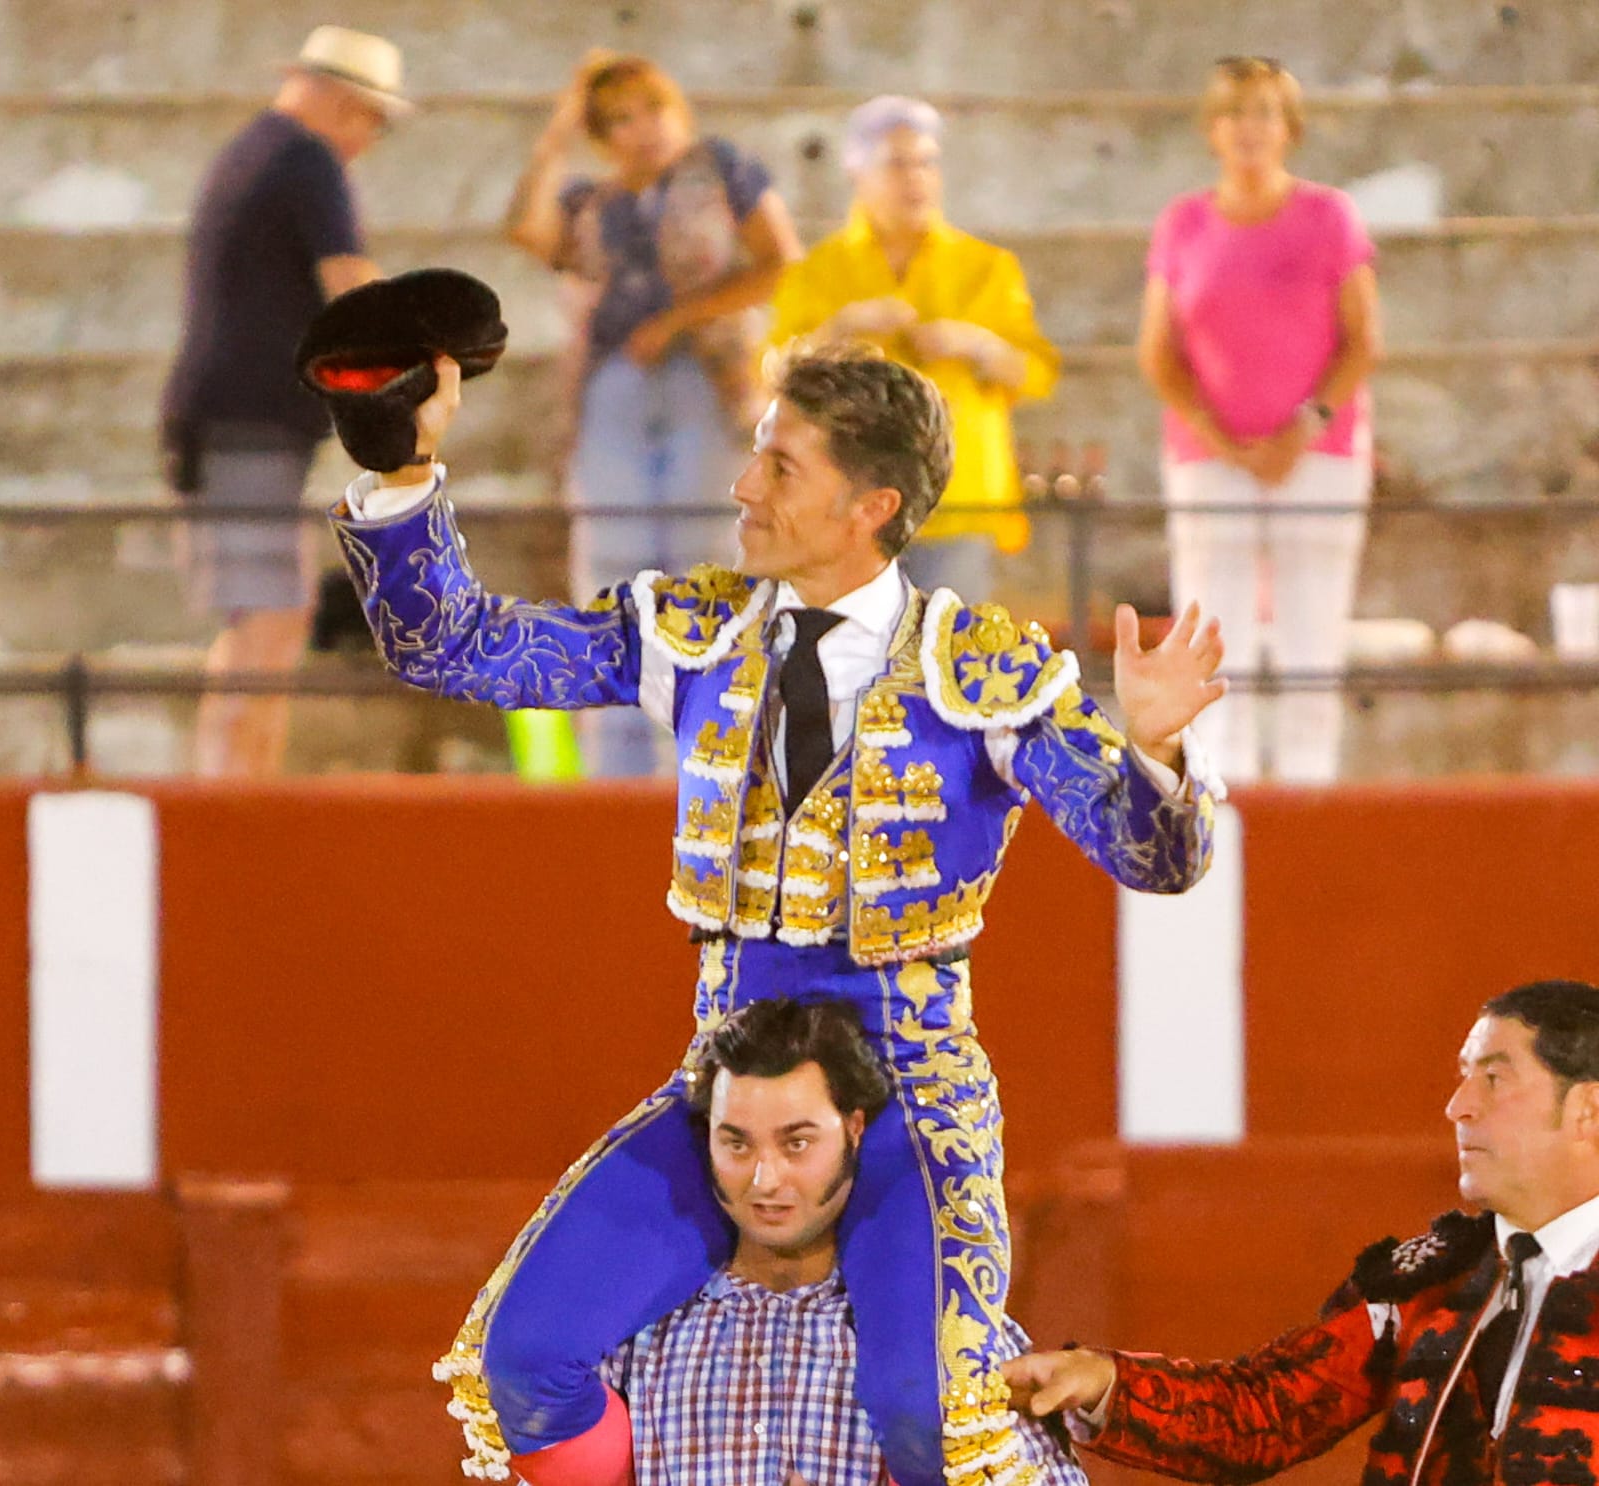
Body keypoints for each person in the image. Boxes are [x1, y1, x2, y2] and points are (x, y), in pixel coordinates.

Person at [327, 343, 1225, 1486]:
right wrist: (401, 468)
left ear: (872, 505)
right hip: (729, 1087)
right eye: (757, 456)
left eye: (779, 466)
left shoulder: (976, 670)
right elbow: (453, 642)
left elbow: (1153, 859)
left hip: (908, 1089)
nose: (745, 489)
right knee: (524, 1359)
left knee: (927, 1412)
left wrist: (1152, 748)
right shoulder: (694, 631)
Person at [1003, 979, 1599, 1486]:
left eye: (1494, 1080)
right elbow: (1266, 1411)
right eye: (1465, 1077)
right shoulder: (1437, 1278)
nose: (1458, 1106)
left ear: (1587, 1112)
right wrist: (1102, 1381)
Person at [573, 996, 1086, 1486]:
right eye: (736, 1143)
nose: (764, 1180)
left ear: (854, 1128)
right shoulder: (634, 1337)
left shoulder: (946, 1335)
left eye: (797, 1143)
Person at [505, 51, 803, 777]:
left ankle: (710, 761)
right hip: (614, 388)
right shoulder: (592, 203)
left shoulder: (721, 170)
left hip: (707, 379)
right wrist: (557, 133)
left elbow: (779, 260)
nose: (642, 131)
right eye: (619, 121)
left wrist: (679, 321)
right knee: (614, 568)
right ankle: (620, 767)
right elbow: (526, 229)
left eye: (652, 110)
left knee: (706, 561)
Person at [159, 25, 403, 776]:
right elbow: (349, 285)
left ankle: (230, 790)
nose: (369, 139)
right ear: (340, 101)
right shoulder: (304, 159)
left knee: (259, 621)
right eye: (371, 119)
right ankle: (238, 803)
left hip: (233, 424)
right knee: (269, 623)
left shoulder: (253, 153)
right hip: (249, 429)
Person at [1138, 56, 1383, 784]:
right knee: (1216, 637)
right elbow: (1159, 352)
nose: (1250, 129)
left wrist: (1301, 428)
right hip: (1211, 455)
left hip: (1320, 452)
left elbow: (1362, 339)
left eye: (1265, 113)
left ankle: (1311, 789)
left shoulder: (1329, 215)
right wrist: (1220, 439)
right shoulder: (1181, 222)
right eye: (1236, 113)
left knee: (1314, 633)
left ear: (1290, 129)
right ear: (1213, 129)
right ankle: (1221, 790)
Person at [767, 95, 1059, 604]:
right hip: (846, 503)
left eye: (926, 162)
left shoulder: (986, 267)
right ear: (857, 171)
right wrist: (840, 329)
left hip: (957, 497)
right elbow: (769, 373)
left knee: (944, 658)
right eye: (897, 163)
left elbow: (1035, 373)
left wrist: (977, 345)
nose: (916, 177)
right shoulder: (817, 272)